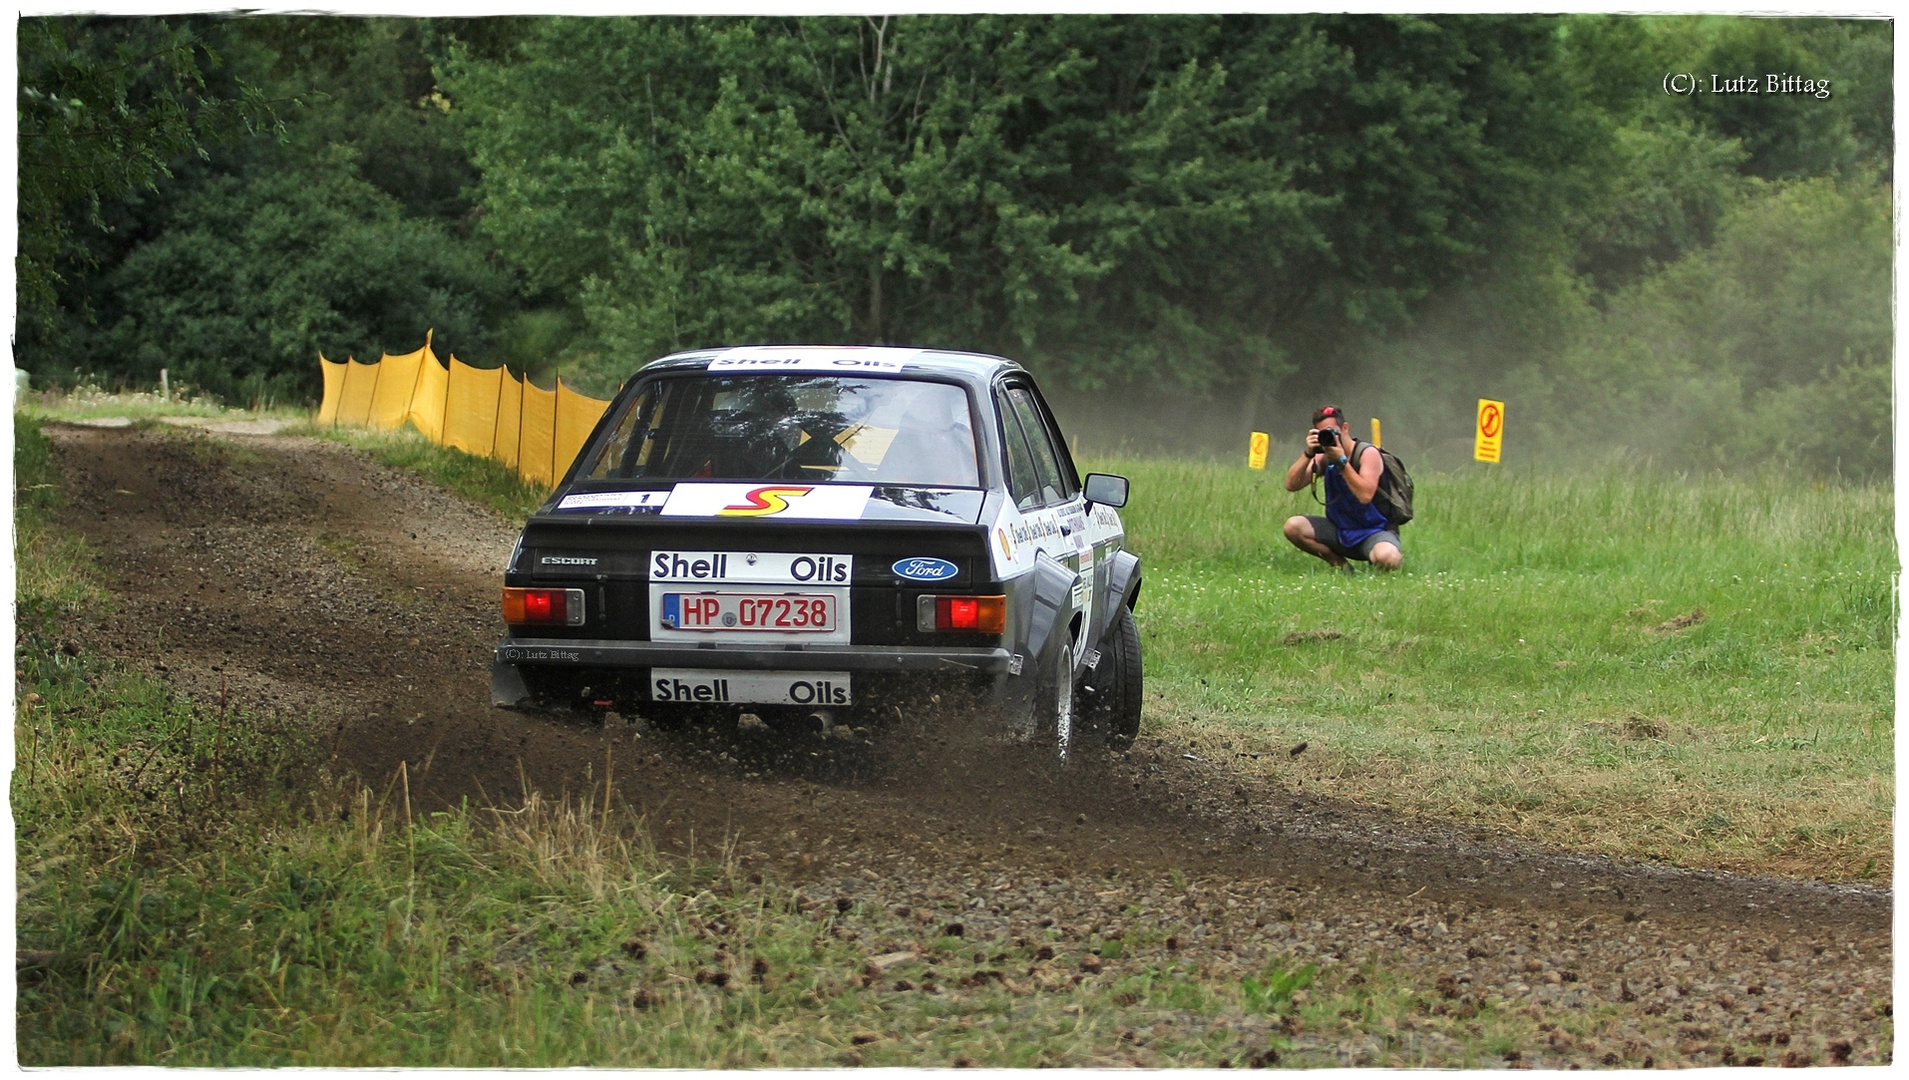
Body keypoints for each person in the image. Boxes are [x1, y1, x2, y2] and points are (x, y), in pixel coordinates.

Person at [1282, 405, 1402, 571]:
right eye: (1322, 433)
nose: (1329, 437)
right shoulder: (1324, 456)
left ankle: (1377, 566)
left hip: (1374, 531)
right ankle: (1340, 565)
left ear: (1345, 428)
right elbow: (1291, 485)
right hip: (1339, 530)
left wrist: (1342, 462)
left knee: (1388, 558)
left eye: (1331, 431)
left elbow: (1365, 496)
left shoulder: (1367, 454)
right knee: (1293, 526)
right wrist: (1308, 454)